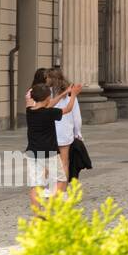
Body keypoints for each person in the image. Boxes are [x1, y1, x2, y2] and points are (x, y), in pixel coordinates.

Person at [25, 83, 79, 211]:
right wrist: (73, 95)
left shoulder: (29, 111)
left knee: (35, 185)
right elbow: (68, 109)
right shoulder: (49, 113)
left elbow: (48, 105)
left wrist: (63, 93)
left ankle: (37, 215)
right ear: (47, 98)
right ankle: (50, 207)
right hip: (50, 153)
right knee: (60, 180)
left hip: (32, 153)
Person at [47, 69, 83, 191]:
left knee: (51, 161)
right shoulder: (70, 94)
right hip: (65, 131)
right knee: (64, 161)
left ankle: (52, 187)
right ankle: (62, 189)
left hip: (50, 131)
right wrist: (77, 132)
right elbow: (76, 116)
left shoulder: (47, 93)